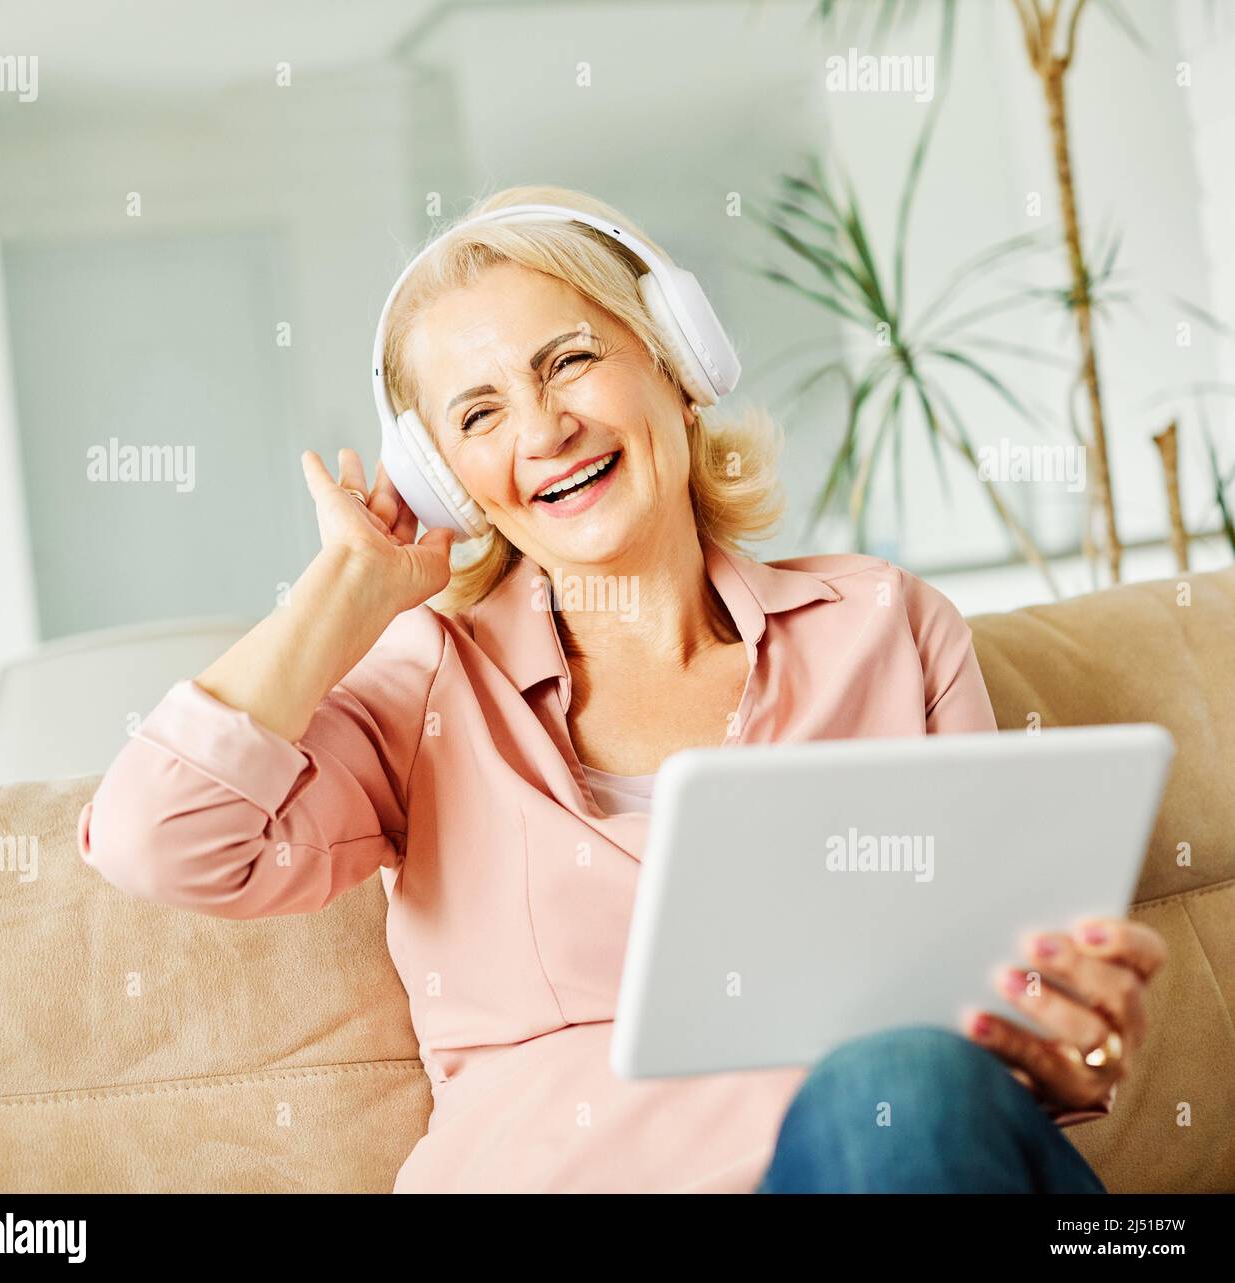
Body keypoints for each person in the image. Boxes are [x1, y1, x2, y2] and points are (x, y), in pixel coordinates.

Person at [79, 184, 1165, 1194]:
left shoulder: (883, 624)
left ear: (677, 363)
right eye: (478, 415)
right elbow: (155, 838)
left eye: (568, 361)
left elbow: (988, 1035)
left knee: (913, 1092)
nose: (544, 430)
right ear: (448, 483)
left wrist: (1065, 1048)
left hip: (877, 1152)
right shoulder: (421, 685)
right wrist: (350, 591)